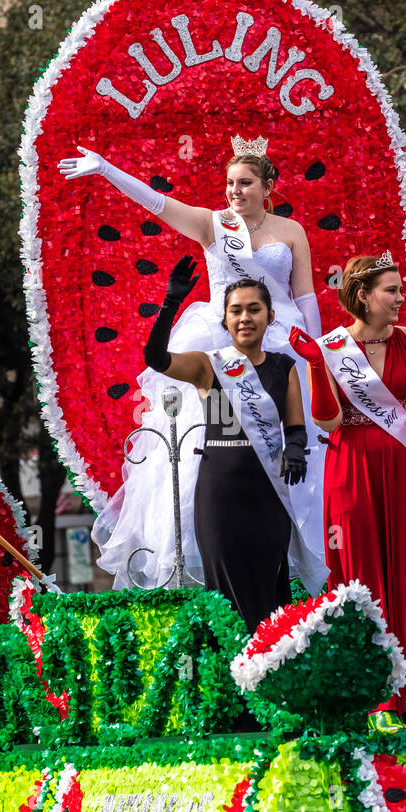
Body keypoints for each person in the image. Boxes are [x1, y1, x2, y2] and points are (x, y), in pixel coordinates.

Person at [57, 136, 327, 596]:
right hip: (220, 340)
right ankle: (194, 554)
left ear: (268, 187)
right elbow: (157, 202)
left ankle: (296, 556)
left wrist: (317, 356)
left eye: (244, 183)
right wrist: (105, 168)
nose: (234, 191)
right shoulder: (211, 223)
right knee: (203, 442)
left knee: (294, 443)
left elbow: (304, 296)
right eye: (229, 183)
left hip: (283, 342)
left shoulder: (291, 231)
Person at [290, 250, 406, 728]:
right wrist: (318, 367)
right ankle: (377, 699)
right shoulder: (333, 347)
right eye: (392, 290)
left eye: (400, 289)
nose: (401, 298)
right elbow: (328, 420)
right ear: (363, 295)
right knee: (360, 576)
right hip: (352, 463)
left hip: (404, 463)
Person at [144, 256, 309, 632]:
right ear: (225, 319)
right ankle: (233, 682)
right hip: (220, 496)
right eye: (236, 311)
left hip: (269, 496)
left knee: (270, 591)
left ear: (270, 316)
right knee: (227, 599)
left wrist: (296, 451)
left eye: (254, 309)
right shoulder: (208, 365)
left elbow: (295, 427)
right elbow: (154, 358)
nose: (245, 318)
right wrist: (171, 304)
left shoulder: (284, 367)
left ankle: (270, 674)